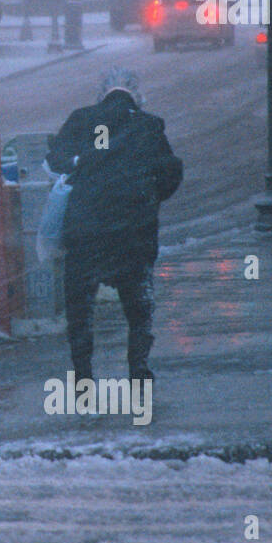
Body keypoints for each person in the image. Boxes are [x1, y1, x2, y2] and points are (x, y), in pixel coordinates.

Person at [45, 68, 183, 384]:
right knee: (138, 310)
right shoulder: (148, 126)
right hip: (133, 232)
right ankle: (138, 371)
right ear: (136, 94)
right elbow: (170, 173)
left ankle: (82, 376)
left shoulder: (81, 119)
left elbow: (55, 161)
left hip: (85, 231)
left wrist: (83, 166)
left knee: (80, 312)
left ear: (102, 92)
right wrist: (149, 199)